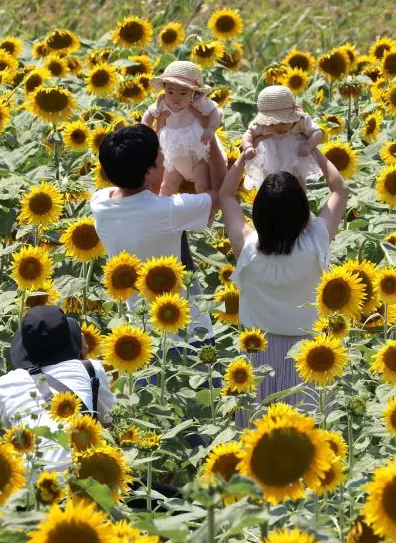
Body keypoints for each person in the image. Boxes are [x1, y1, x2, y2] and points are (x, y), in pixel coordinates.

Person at [219, 147, 348, 422]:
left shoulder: (247, 248)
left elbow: (226, 196)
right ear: (303, 215)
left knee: (256, 444)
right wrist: (314, 151)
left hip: (257, 354)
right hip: (310, 358)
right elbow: (338, 189)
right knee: (309, 444)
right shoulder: (315, 243)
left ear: (257, 215)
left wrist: (244, 158)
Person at [91, 123, 227, 341]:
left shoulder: (100, 203)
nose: (165, 155)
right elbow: (222, 193)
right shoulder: (169, 211)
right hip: (188, 333)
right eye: (160, 153)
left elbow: (144, 189)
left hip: (141, 335)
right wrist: (209, 141)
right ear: (148, 171)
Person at [0, 306, 116, 469]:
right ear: (71, 341)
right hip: (84, 479)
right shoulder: (91, 369)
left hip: (30, 483)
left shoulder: (3, 385)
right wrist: (83, 358)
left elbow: (13, 432)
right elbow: (109, 422)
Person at [141, 60, 224, 196]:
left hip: (196, 151)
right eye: (170, 92)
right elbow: (148, 115)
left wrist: (211, 128)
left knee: (203, 185)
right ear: (164, 90)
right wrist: (144, 130)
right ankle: (162, 212)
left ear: (193, 92)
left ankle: (204, 213)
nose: (176, 98)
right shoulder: (162, 102)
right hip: (173, 150)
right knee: (167, 186)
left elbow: (217, 112)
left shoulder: (198, 102)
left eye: (183, 93)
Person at [241, 85, 324, 190]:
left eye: (283, 123)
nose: (278, 128)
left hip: (294, 155)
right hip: (269, 155)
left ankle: (301, 198)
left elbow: (317, 132)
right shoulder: (261, 125)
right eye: (272, 124)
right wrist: (248, 147)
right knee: (268, 179)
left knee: (298, 179)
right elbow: (248, 134)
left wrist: (308, 145)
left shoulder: (299, 121)